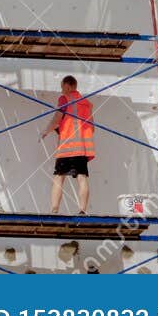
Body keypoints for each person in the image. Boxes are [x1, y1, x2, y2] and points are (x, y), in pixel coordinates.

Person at [40, 75, 94, 216]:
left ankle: (54, 209)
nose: (61, 90)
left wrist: (46, 131)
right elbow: (91, 126)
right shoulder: (86, 104)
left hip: (67, 147)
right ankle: (82, 209)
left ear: (68, 86)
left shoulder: (65, 99)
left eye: (62, 86)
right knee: (82, 178)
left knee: (59, 178)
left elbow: (57, 119)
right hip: (82, 148)